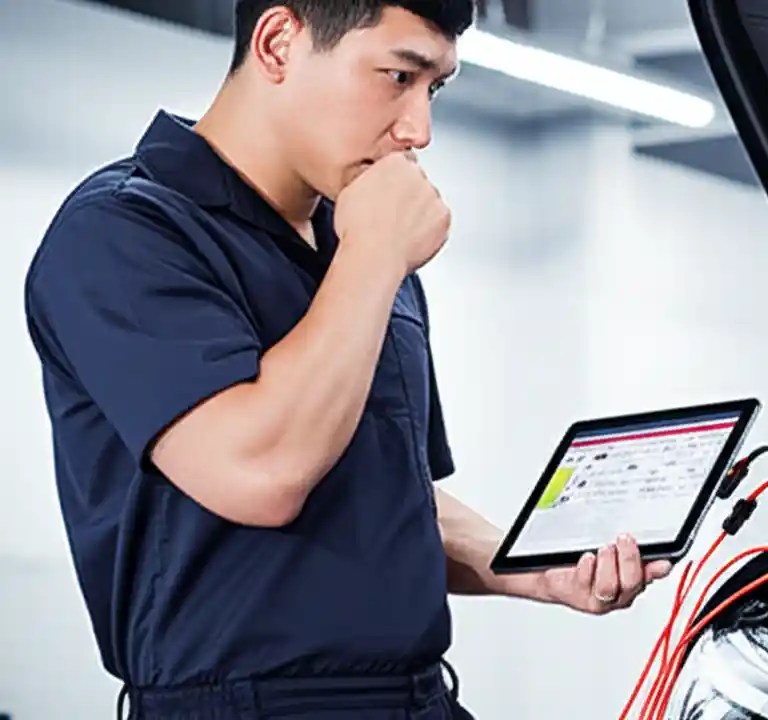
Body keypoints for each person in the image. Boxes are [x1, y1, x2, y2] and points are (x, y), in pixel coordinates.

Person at [22, 1, 673, 718]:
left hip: (417, 696)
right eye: (397, 75)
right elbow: (261, 471)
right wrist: (374, 256)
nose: (419, 130)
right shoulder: (122, 233)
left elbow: (390, 497)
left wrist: (528, 567)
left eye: (435, 89)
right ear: (277, 44)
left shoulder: (357, 243)